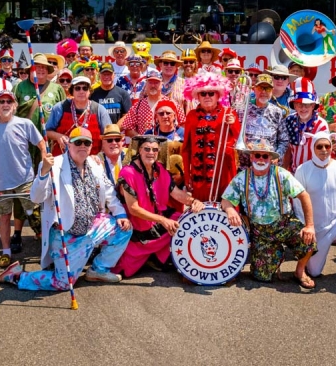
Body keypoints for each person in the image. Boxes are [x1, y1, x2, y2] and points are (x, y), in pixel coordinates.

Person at [0, 127, 132, 290]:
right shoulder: (53, 165)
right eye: (78, 142)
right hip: (67, 234)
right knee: (63, 283)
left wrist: (120, 214)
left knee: (123, 229)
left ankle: (98, 270)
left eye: (87, 142)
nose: (82, 146)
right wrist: (44, 171)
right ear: (69, 144)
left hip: (93, 226)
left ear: (91, 146)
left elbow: (109, 192)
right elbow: (36, 198)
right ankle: (17, 275)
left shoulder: (95, 164)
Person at [220, 138, 317, 289]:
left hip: (284, 224)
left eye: (265, 156)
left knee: (309, 240)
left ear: (271, 159)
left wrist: (310, 225)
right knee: (261, 277)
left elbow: (304, 195)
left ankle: (299, 271)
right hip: (259, 231)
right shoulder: (242, 177)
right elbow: (225, 200)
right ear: (251, 157)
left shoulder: (281, 174)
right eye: (257, 155)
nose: (260, 159)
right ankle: (276, 256)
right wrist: (230, 209)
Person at [112, 134, 205, 278]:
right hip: (138, 225)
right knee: (125, 270)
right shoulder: (128, 172)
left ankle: (157, 257)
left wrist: (193, 202)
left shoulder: (159, 169)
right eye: (147, 149)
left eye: (155, 150)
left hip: (156, 218)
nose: (151, 153)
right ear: (139, 150)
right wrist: (162, 220)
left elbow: (177, 193)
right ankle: (153, 256)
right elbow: (133, 209)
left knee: (187, 220)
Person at [0, 89, 47, 268]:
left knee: (34, 213)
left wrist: (45, 157)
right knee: (5, 217)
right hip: (1, 181)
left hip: (25, 179)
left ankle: (46, 248)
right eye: (2, 102)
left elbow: (40, 142)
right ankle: (6, 252)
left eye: (9, 102)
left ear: (14, 105)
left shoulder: (25, 123)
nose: (5, 105)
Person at [294, 133, 336, 286]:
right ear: (313, 148)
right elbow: (297, 203)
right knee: (314, 272)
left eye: (327, 146)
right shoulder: (302, 170)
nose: (324, 150)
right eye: (319, 146)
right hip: (314, 229)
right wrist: (305, 226)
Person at [181, 70, 241, 201]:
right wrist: (187, 176)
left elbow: (240, 140)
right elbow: (186, 149)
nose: (207, 96)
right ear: (197, 96)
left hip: (224, 173)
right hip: (200, 176)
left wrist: (233, 124)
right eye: (203, 93)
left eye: (211, 93)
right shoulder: (191, 115)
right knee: (202, 212)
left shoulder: (229, 112)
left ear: (218, 94)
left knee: (227, 211)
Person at [46, 75, 111, 156]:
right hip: (63, 158)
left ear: (89, 91)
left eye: (85, 88)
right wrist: (58, 136)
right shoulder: (60, 107)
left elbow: (109, 136)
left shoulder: (99, 110)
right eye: (77, 88)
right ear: (72, 91)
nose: (81, 91)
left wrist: (100, 156)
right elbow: (47, 131)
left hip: (92, 159)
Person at [283, 78, 330, 172]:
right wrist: (284, 171)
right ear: (295, 105)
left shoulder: (321, 125)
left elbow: (324, 153)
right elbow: (287, 149)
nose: (303, 108)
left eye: (307, 105)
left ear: (313, 106)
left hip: (315, 172)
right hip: (294, 173)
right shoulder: (289, 120)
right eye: (299, 104)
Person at [241, 73, 289, 160]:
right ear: (254, 89)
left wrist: (277, 156)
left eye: (267, 88)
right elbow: (235, 136)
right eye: (260, 88)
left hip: (268, 164)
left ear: (272, 90)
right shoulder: (242, 110)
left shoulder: (277, 112)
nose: (263, 92)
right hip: (245, 165)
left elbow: (284, 140)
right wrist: (245, 144)